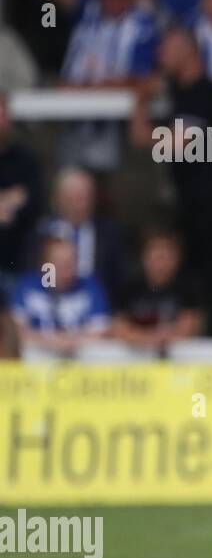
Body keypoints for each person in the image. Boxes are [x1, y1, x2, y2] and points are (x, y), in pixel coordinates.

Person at [130, 28, 212, 337]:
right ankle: (186, 336)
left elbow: (181, 141)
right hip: (189, 199)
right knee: (189, 274)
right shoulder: (176, 92)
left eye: (167, 49)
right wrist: (140, 100)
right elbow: (140, 136)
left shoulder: (204, 91)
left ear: (188, 51)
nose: (160, 57)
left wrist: (151, 128)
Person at [12, 0, 158, 174]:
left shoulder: (142, 24)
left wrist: (84, 89)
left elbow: (139, 79)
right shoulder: (91, 11)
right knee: (70, 176)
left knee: (103, 180)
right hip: (73, 112)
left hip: (112, 117)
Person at [37, 166, 129, 305]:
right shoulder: (42, 233)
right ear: (59, 199)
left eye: (85, 197)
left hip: (99, 308)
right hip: (50, 306)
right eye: (73, 198)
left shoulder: (110, 233)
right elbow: (34, 275)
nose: (80, 204)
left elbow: (118, 279)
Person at [9, 234, 111, 358]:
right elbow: (15, 331)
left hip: (78, 352)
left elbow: (102, 331)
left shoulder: (90, 286)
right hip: (40, 351)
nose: (66, 267)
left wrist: (70, 342)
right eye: (58, 262)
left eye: (70, 261)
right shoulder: (27, 286)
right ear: (45, 264)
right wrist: (51, 341)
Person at [111, 227, 203, 354]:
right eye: (156, 256)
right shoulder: (129, 288)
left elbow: (189, 327)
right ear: (144, 257)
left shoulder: (188, 288)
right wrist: (150, 339)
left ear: (177, 259)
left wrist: (164, 338)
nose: (161, 263)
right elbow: (119, 328)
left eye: (166, 256)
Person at [0, 92, 42, 302]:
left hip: (16, 265)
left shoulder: (24, 158)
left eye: (3, 115)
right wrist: (9, 200)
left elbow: (34, 201)